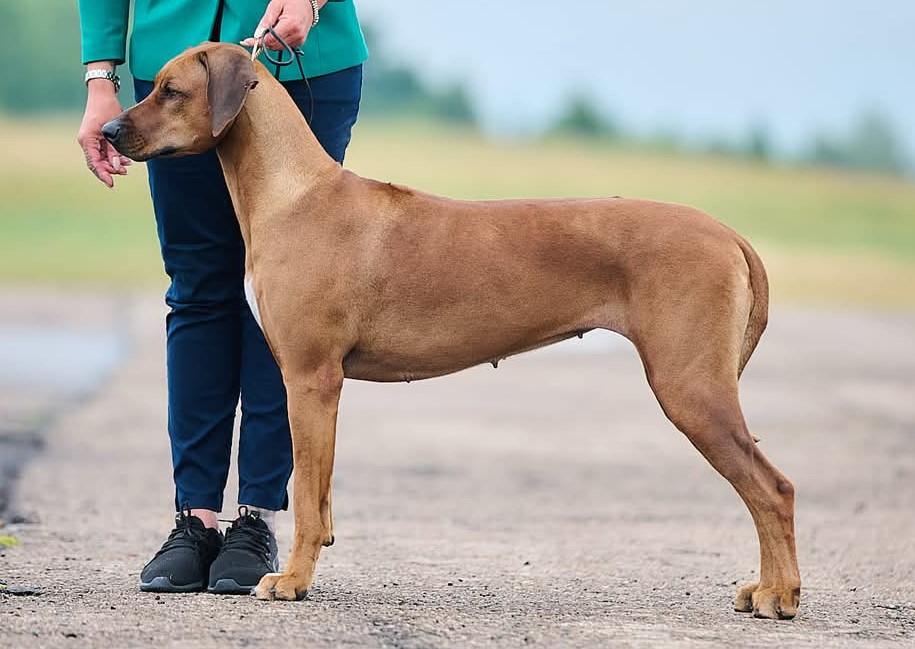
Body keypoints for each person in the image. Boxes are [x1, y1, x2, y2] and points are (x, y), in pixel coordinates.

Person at [76, 0, 367, 594]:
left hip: (296, 59)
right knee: (198, 289)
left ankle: (256, 518)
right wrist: (100, 76)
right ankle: (195, 519)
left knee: (289, 302)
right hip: (174, 68)